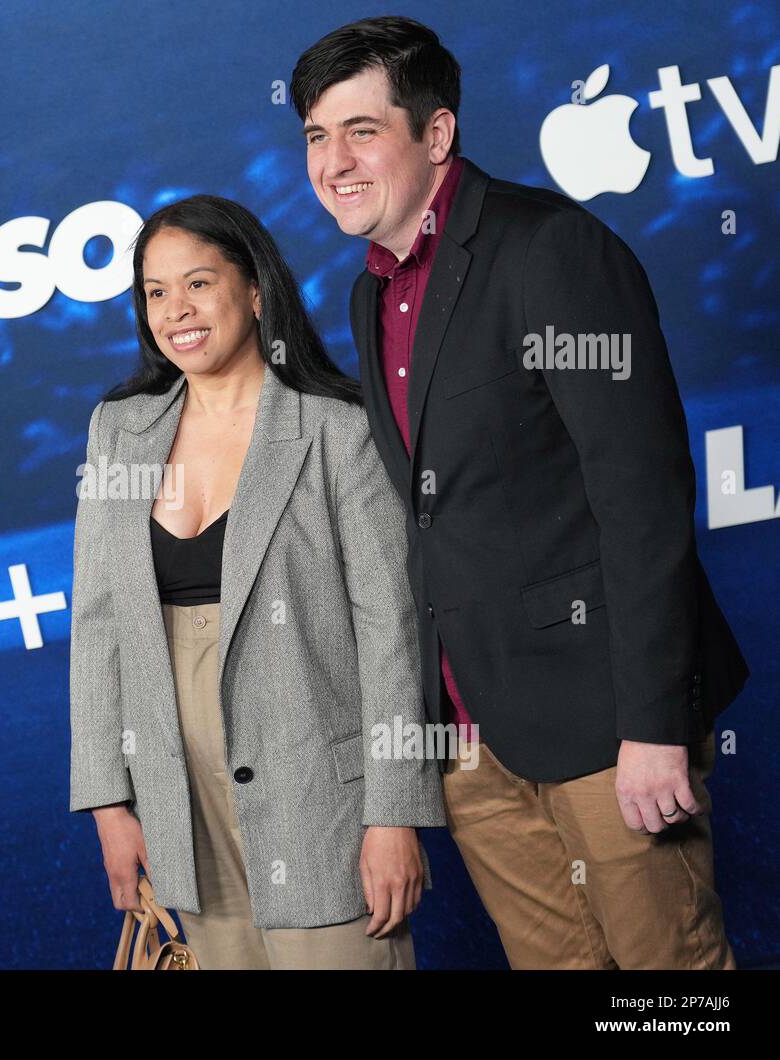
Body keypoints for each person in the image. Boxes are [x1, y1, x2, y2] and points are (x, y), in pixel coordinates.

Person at [290, 15, 749, 969]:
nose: (334, 161)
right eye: (315, 137)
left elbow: (643, 497)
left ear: (438, 134)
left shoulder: (550, 249)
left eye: (362, 131)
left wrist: (654, 728)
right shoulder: (371, 293)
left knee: (669, 991)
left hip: (604, 722)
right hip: (470, 741)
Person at [68, 194, 446, 969]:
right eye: (157, 292)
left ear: (255, 290)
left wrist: (394, 814)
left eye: (199, 283)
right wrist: (108, 801)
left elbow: (392, 630)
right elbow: (99, 626)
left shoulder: (336, 427)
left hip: (323, 804)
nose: (177, 311)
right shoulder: (118, 430)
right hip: (179, 807)